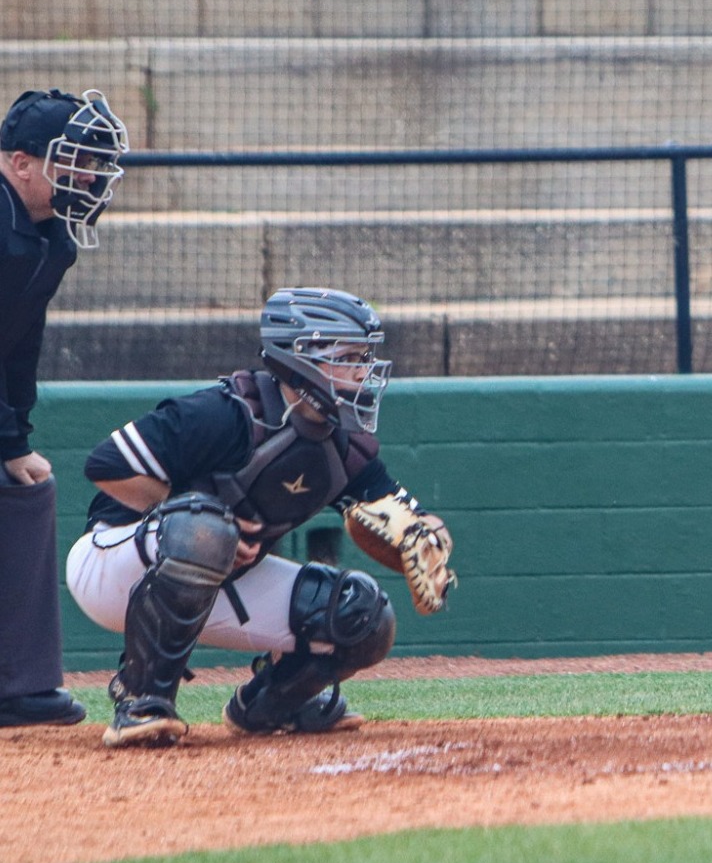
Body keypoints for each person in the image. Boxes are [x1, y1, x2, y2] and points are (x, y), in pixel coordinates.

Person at [66, 287, 455, 748]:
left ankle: (270, 705)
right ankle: (141, 701)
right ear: (300, 357)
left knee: (366, 616)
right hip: (113, 568)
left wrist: (429, 540)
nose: (362, 372)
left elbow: (416, 517)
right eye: (348, 357)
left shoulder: (344, 446)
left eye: (364, 358)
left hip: (220, 581)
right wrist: (191, 510)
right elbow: (106, 465)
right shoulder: (225, 412)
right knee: (204, 527)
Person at [0, 88, 127, 730]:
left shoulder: (51, 238)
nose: (89, 177)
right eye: (73, 162)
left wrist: (14, 438)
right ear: (21, 163)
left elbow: (18, 345)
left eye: (94, 164)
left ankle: (19, 686)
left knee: (26, 490)